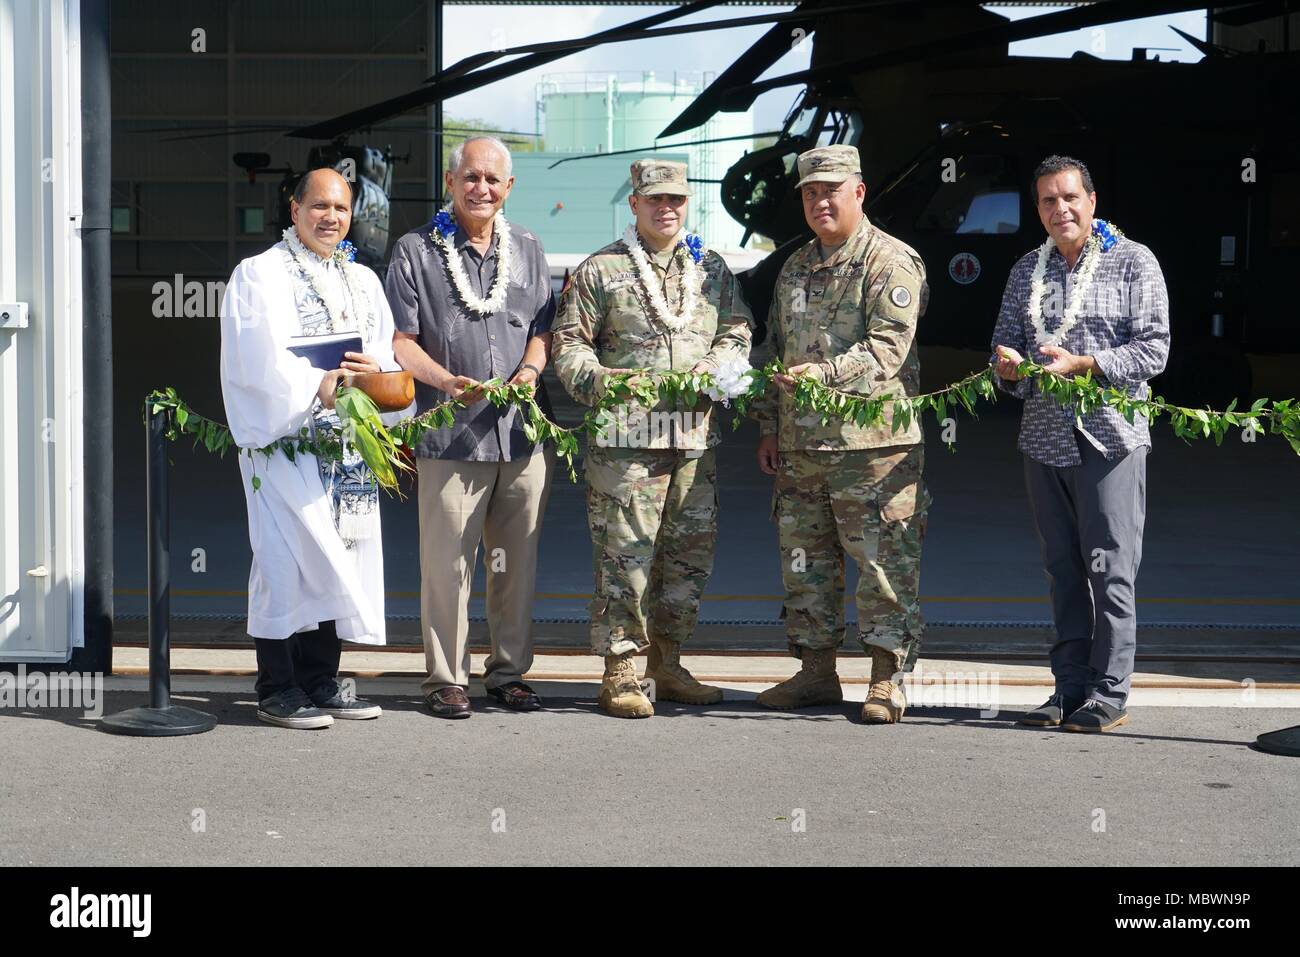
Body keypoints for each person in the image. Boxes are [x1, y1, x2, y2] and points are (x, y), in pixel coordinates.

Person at [553, 158, 753, 718]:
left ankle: (667, 662)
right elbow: (569, 345)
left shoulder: (710, 269)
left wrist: (719, 362)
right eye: (655, 199)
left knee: (687, 558)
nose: (666, 208)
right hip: (626, 445)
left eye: (676, 200)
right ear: (635, 203)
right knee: (625, 560)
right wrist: (606, 382)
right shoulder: (601, 270)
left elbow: (738, 329)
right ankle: (620, 669)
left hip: (692, 442)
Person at [991, 154, 1169, 733]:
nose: (1060, 209)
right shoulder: (1027, 269)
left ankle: (1109, 692)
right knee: (1062, 568)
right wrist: (1008, 367)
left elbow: (1154, 349)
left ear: (1092, 201)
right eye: (1048, 200)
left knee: (1109, 569)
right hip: (1045, 440)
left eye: (1070, 197)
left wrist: (1086, 364)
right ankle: (1068, 688)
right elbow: (1003, 346)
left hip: (1110, 438)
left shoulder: (1133, 261)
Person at [752, 144, 929, 724]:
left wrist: (825, 376)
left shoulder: (890, 261)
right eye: (810, 192)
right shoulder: (795, 266)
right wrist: (770, 425)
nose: (820, 201)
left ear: (859, 192)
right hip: (802, 448)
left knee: (882, 564)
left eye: (830, 190)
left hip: (872, 449)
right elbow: (775, 349)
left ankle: (886, 678)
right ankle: (816, 672)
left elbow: (887, 348)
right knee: (805, 562)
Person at [220, 167, 399, 729]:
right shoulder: (260, 274)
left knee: (337, 559)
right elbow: (255, 360)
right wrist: (315, 384)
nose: (331, 218)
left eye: (341, 208)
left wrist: (374, 370)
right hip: (285, 444)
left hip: (344, 448)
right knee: (284, 561)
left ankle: (321, 681)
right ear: (294, 209)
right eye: (320, 206)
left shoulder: (362, 279)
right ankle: (277, 687)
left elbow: (383, 351)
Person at [386, 136, 555, 720]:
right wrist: (444, 381)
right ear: (450, 182)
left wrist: (531, 371)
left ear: (509, 187)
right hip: (449, 434)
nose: (481, 188)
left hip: (521, 433)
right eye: (471, 177)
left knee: (515, 562)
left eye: (492, 179)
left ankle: (508, 673)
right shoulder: (415, 249)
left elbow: (542, 329)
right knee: (447, 565)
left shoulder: (528, 246)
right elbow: (400, 341)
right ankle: (445, 678)